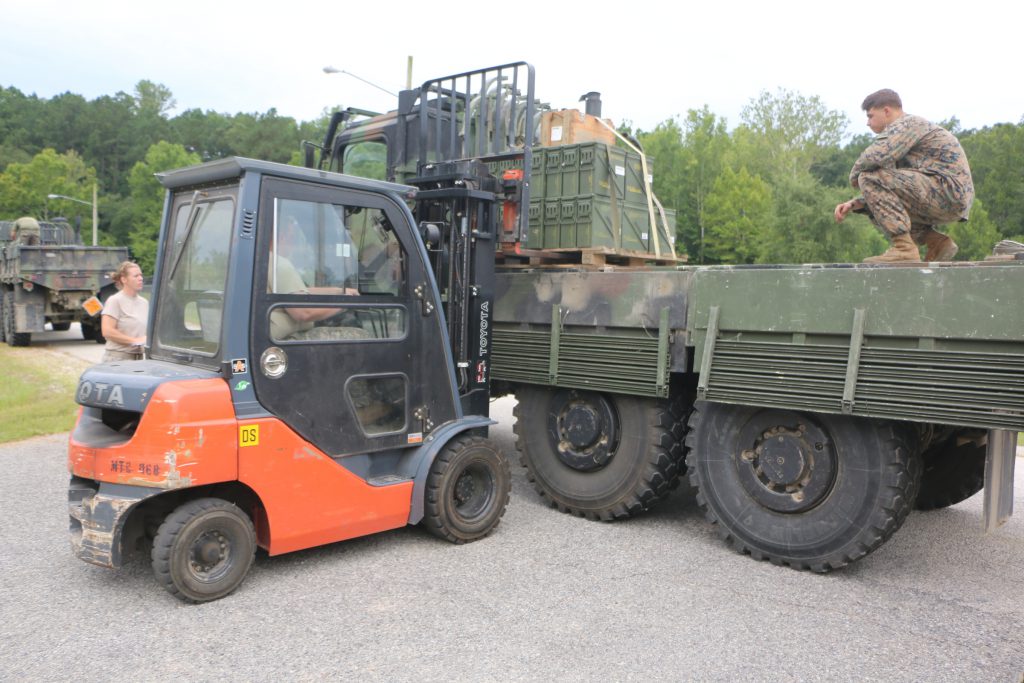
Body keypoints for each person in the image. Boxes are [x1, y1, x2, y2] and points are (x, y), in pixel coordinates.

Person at [834, 89, 974, 263]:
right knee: (875, 200)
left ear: (886, 111)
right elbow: (887, 191)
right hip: (945, 195)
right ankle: (936, 242)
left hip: (945, 189)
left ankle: (904, 248)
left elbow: (879, 154)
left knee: (867, 177)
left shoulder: (907, 124)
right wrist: (856, 203)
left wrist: (854, 174)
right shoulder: (903, 134)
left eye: (870, 116)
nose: (868, 123)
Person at [269, 214, 359, 341]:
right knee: (357, 336)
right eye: (292, 238)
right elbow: (304, 313)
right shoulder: (280, 264)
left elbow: (299, 291)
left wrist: (339, 291)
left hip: (271, 340)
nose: (293, 244)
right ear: (282, 237)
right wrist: (343, 304)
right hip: (281, 341)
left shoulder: (265, 261)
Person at [101, 261, 149, 362]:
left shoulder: (144, 303)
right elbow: (107, 331)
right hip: (117, 359)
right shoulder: (115, 300)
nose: (141, 278)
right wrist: (134, 341)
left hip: (139, 360)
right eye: (136, 276)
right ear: (124, 279)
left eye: (141, 275)